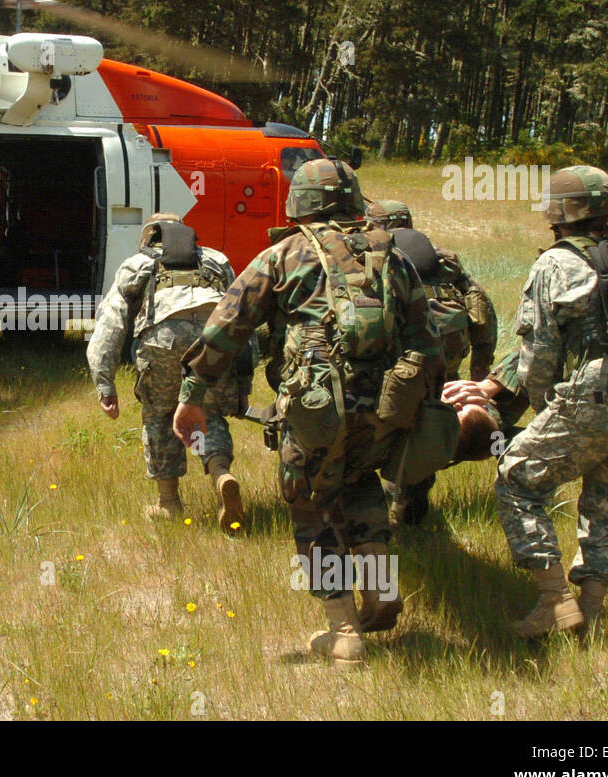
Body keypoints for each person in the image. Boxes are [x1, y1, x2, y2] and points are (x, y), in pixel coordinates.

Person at [173, 159, 443, 665]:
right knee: (362, 486)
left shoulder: (284, 254)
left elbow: (227, 327)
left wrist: (191, 396)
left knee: (311, 504)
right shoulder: (394, 257)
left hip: (316, 407)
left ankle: (343, 632)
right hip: (385, 404)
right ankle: (381, 590)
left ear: (299, 202)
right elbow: (427, 342)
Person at [444, 166, 608, 637]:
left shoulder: (554, 264)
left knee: (517, 478)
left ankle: (553, 601)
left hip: (597, 391)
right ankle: (589, 611)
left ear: (557, 213)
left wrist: (546, 408)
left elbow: (539, 359)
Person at [87, 213, 254, 534]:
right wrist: (243, 380)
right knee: (211, 414)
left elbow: (110, 324)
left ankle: (169, 504)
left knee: (160, 415)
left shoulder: (137, 264)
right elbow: (243, 314)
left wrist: (104, 382)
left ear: (150, 237)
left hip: (161, 342)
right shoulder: (217, 261)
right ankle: (221, 475)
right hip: (214, 341)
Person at [365, 199, 498, 523]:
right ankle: (411, 507)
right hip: (444, 372)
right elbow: (483, 317)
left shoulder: (371, 261)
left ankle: (367, 513)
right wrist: (478, 377)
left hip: (394, 369)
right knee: (427, 429)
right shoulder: (447, 266)